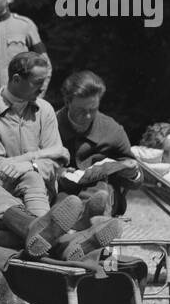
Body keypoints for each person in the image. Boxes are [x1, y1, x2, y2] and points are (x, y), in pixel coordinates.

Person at [0, 51, 68, 216]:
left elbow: (57, 160)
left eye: (44, 81)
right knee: (30, 180)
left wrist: (32, 166)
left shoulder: (45, 110)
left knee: (33, 177)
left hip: (43, 193)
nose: (43, 87)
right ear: (16, 79)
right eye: (38, 82)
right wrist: (40, 155)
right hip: (4, 193)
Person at [56, 70, 139, 215]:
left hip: (103, 193)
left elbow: (135, 174)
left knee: (101, 195)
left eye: (93, 110)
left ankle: (90, 223)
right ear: (67, 102)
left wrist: (132, 173)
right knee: (62, 205)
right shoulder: (51, 124)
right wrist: (58, 173)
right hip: (62, 191)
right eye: (81, 110)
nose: (88, 116)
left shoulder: (112, 129)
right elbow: (37, 161)